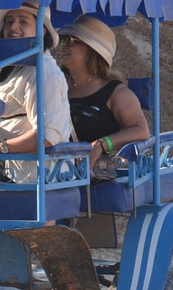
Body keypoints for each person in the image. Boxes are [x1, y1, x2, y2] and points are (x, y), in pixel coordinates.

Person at [0, 0, 72, 183]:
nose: (13, 27)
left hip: (35, 177)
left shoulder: (44, 73)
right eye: (9, 22)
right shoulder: (11, 71)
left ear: (42, 30)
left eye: (23, 21)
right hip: (0, 170)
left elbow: (46, 136)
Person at [57, 15, 150, 177]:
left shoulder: (116, 92)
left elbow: (141, 130)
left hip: (93, 176)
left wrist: (102, 144)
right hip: (55, 173)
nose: (64, 45)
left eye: (72, 41)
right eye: (64, 40)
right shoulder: (56, 85)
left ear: (92, 51)